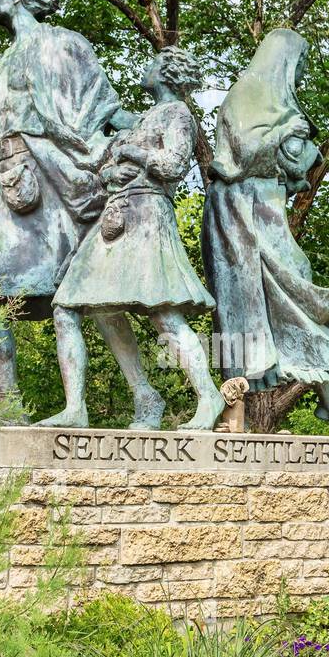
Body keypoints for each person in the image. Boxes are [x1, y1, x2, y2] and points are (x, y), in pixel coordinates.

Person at [0, 0, 159, 423]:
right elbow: (0, 139)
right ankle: (9, 406)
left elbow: (103, 110)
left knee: (91, 295)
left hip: (59, 183)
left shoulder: (64, 43)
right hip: (2, 191)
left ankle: (144, 393)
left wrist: (155, 124)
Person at [42, 47, 224, 431]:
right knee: (73, 306)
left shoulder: (177, 114)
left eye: (153, 63)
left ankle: (209, 396)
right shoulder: (143, 119)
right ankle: (82, 407)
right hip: (116, 216)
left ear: (167, 73)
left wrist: (130, 150)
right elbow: (99, 162)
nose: (146, 68)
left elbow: (172, 164)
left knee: (164, 314)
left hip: (146, 216)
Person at [200, 28, 329, 435]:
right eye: (301, 64)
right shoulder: (246, 94)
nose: (303, 74)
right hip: (237, 215)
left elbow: (300, 169)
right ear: (286, 60)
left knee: (299, 297)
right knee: (236, 314)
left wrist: (297, 143)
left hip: (266, 212)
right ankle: (233, 415)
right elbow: (241, 152)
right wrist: (287, 133)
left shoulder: (281, 104)